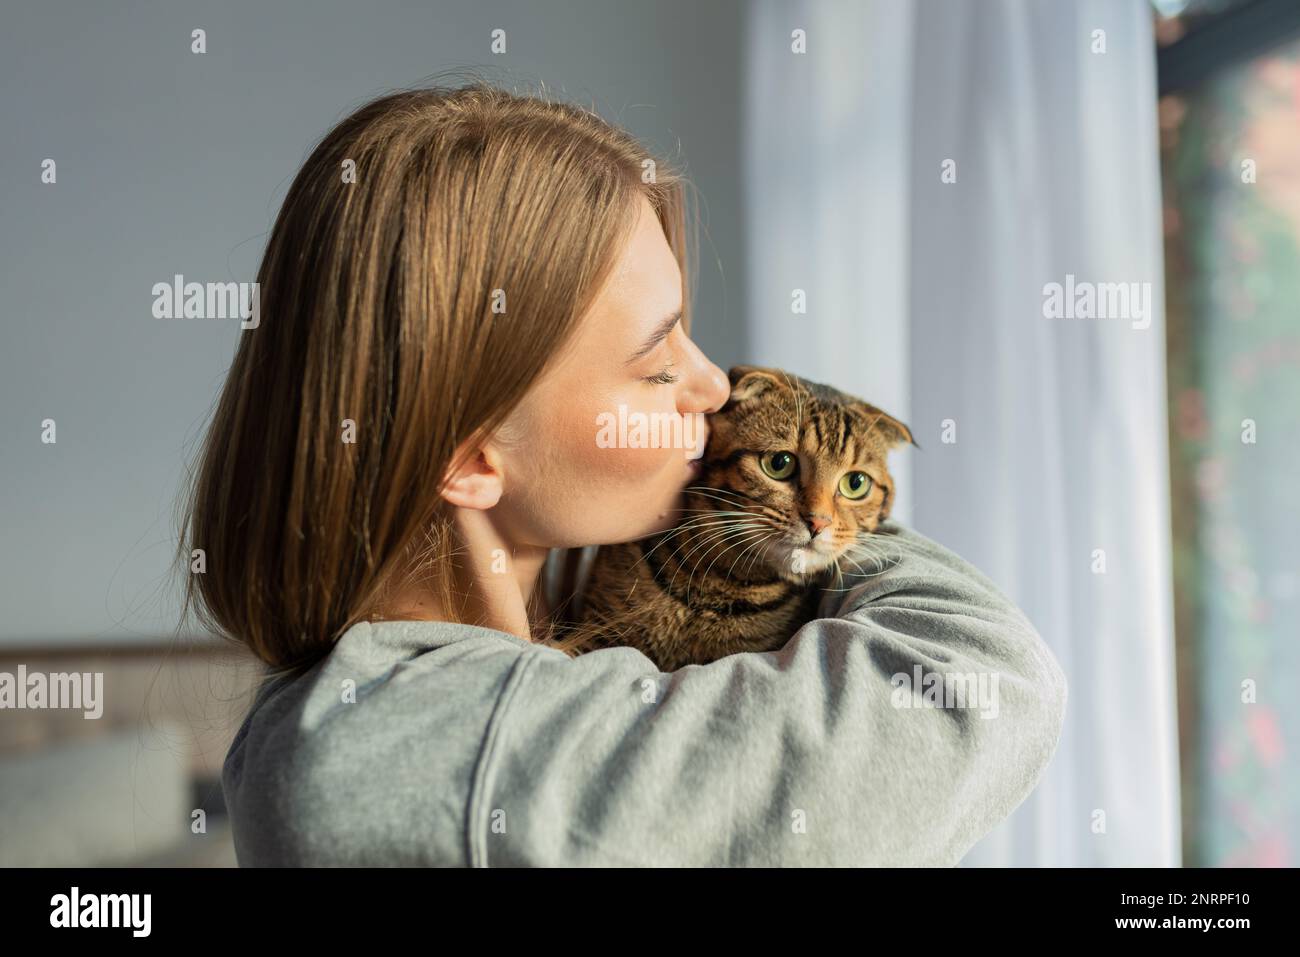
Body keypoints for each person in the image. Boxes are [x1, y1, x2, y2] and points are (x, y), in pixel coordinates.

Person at [184, 81, 1067, 866]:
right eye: (656, 366)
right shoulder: (414, 755)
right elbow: (990, 674)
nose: (714, 384)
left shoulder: (441, 684)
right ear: (471, 454)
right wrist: (816, 522)